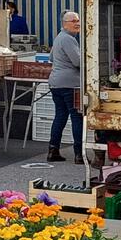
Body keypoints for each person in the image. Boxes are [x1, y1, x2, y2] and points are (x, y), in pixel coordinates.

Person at [47, 11, 84, 164]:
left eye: (78, 20)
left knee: (60, 116)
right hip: (70, 84)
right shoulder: (68, 39)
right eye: (73, 21)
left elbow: (51, 58)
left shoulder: (59, 37)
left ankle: (53, 150)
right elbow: (78, 62)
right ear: (64, 23)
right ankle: (79, 154)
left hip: (56, 84)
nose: (77, 23)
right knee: (77, 117)